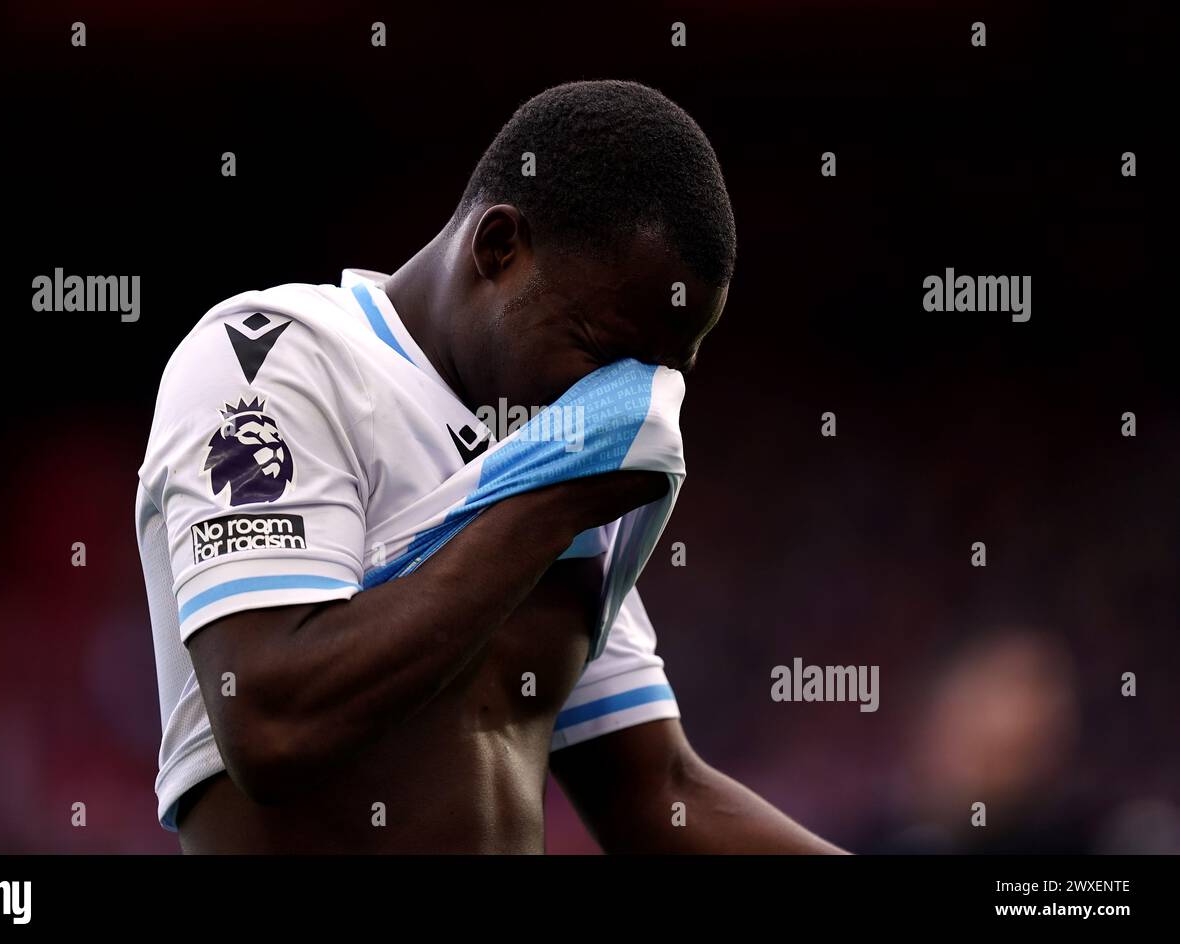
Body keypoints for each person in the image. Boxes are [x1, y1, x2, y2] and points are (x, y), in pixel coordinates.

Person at [136, 79, 843, 853]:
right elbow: (272, 726)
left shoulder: (562, 446)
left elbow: (658, 791)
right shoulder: (278, 358)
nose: (631, 399)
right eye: (606, 353)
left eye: (666, 372)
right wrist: (550, 502)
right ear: (499, 248)